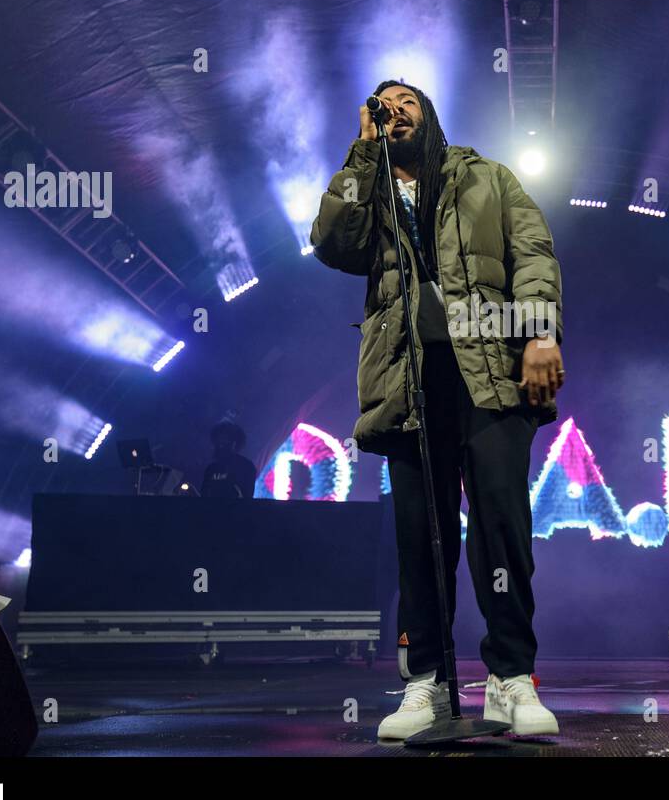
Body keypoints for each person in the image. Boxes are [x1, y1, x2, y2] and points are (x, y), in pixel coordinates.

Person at [310, 80, 565, 740]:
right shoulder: (365, 184)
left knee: (501, 528)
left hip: (489, 372)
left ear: (430, 115)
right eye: (382, 104)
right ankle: (426, 684)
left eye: (407, 102)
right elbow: (334, 243)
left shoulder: (488, 177)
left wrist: (539, 334)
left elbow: (532, 255)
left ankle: (513, 679)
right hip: (408, 378)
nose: (394, 111)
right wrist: (359, 158)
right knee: (421, 538)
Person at [199, 421, 258, 499]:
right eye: (219, 440)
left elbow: (247, 496)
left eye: (226, 440)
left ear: (235, 443)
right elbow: (204, 495)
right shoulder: (211, 469)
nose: (221, 444)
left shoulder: (246, 466)